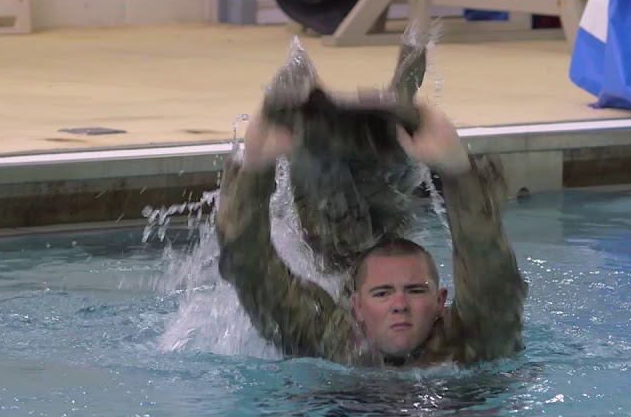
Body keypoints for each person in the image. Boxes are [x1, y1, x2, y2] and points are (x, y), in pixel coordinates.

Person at [214, 98, 527, 368]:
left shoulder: (465, 345)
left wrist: (458, 170)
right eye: (382, 293)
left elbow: (492, 281)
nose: (400, 304)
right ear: (357, 308)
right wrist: (255, 168)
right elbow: (251, 271)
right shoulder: (335, 343)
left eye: (415, 290)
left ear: (440, 301)